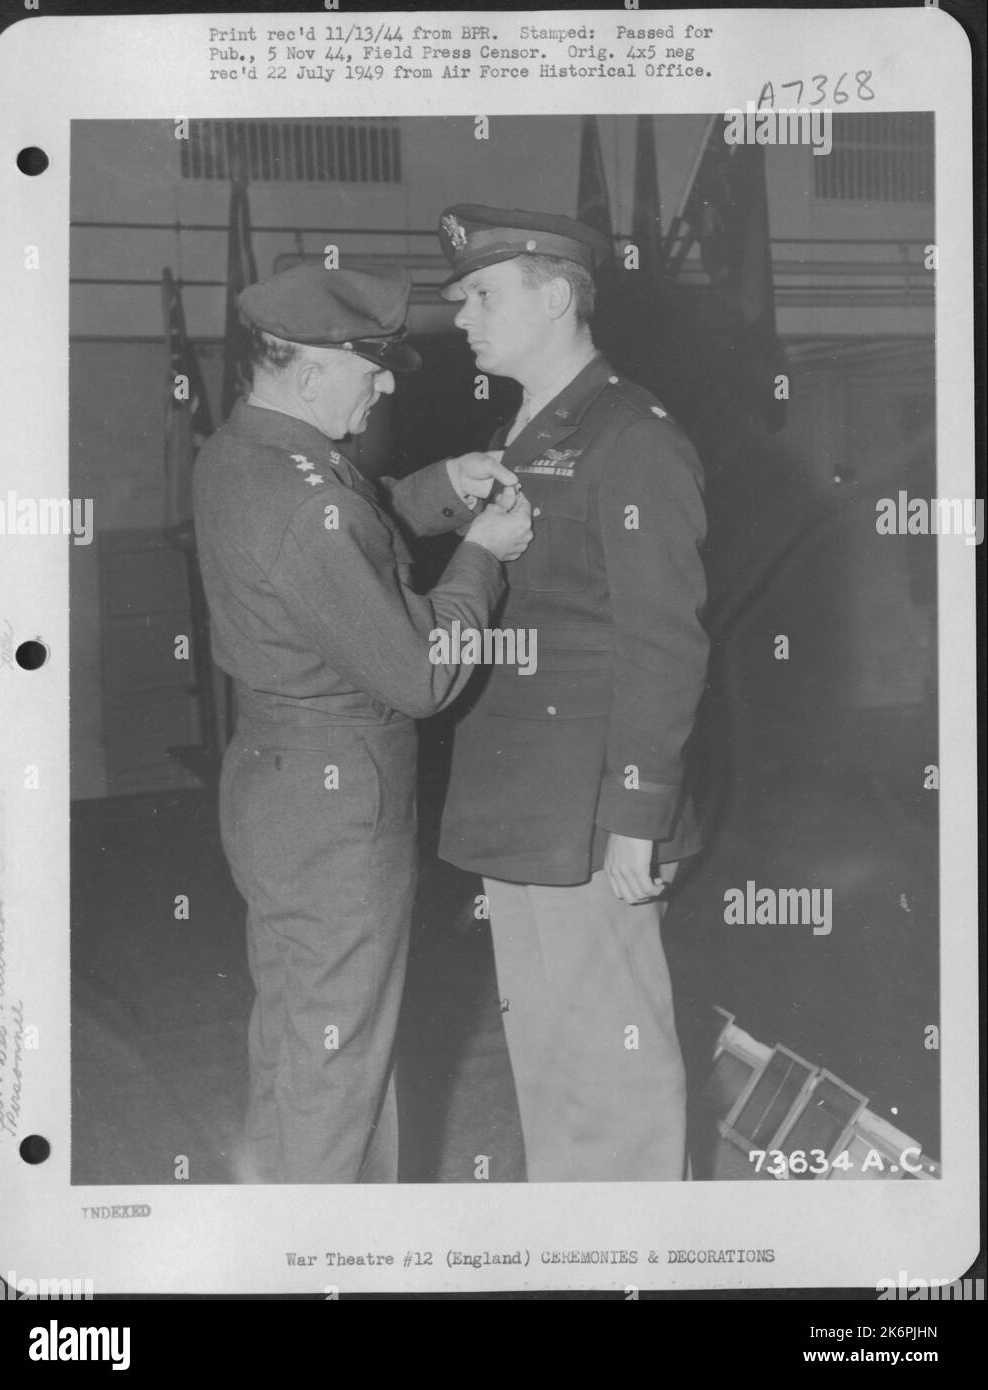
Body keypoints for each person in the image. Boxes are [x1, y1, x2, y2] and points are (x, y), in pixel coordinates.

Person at [192, 262, 532, 1183]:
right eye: (370, 368)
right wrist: (479, 557)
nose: (385, 385)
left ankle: (288, 1246)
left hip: (272, 780)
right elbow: (422, 675)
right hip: (337, 804)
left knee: (304, 1042)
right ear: (309, 374)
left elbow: (355, 525)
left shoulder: (242, 452)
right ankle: (317, 1265)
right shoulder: (312, 499)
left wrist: (441, 485)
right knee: (337, 1066)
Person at [435, 205, 710, 1182]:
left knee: (618, 1079)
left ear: (555, 297)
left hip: (592, 813)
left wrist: (638, 812)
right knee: (548, 1069)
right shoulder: (528, 428)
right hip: (520, 805)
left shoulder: (632, 436)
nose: (461, 311)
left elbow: (662, 640)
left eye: (482, 293)